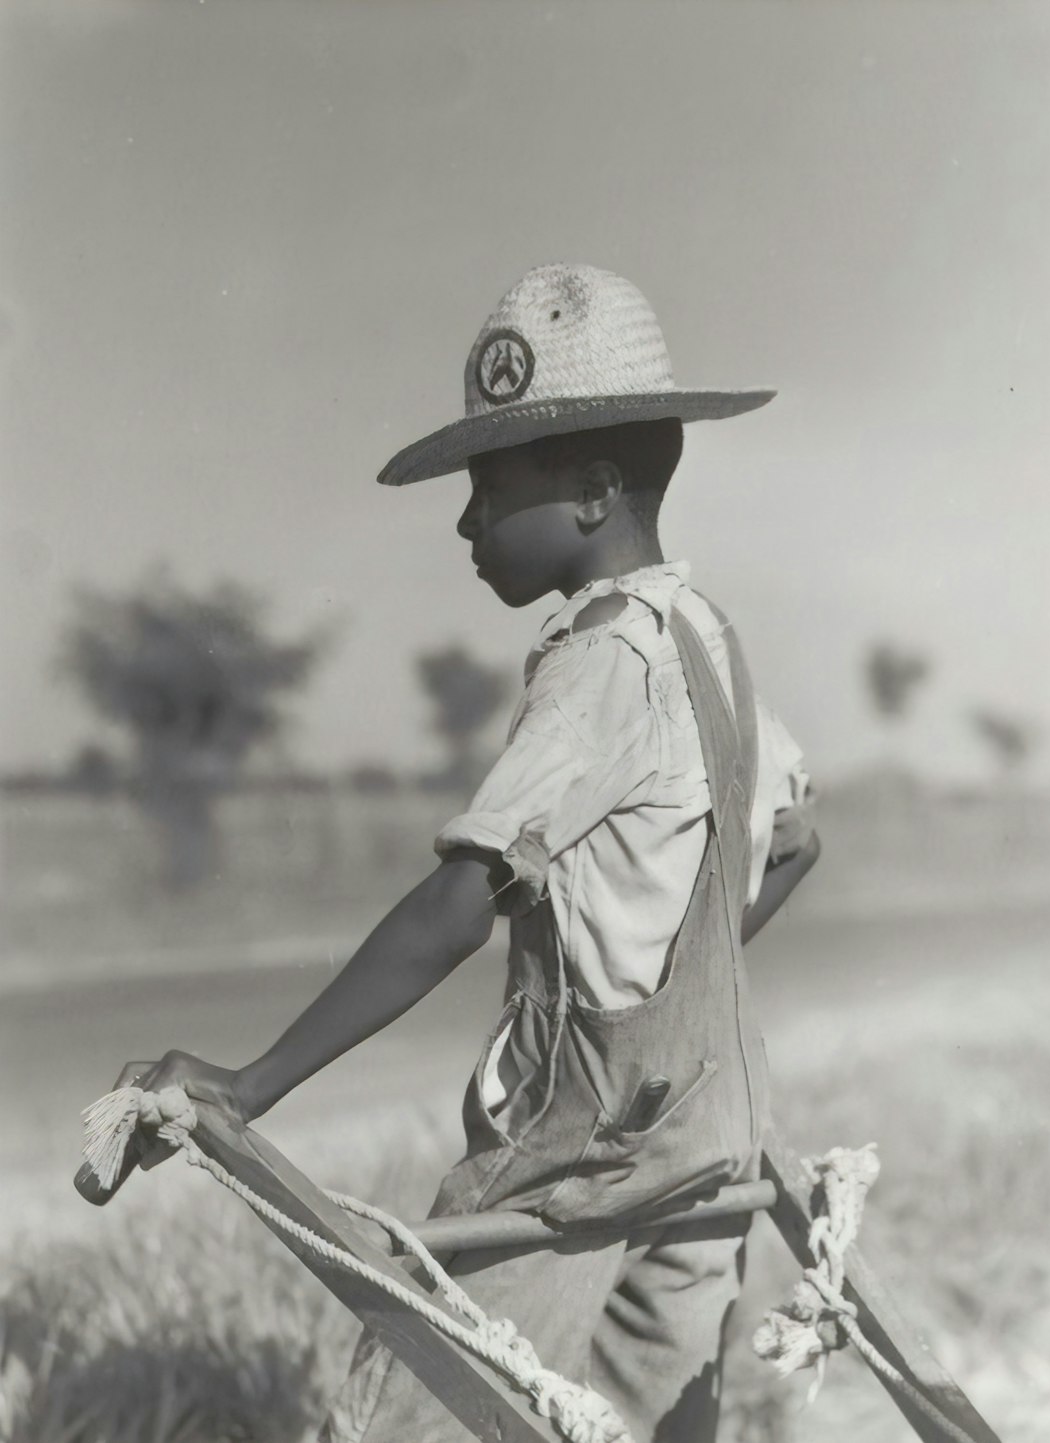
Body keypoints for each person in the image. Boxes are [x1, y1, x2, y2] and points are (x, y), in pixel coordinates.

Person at [116, 264, 820, 1443]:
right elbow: (794, 841)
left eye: (490, 489)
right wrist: (672, 984)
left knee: (414, 1410)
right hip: (715, 1134)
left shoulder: (600, 659)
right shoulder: (705, 635)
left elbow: (459, 902)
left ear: (594, 490)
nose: (464, 522)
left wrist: (248, 1087)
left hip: (586, 1153)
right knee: (650, 1424)